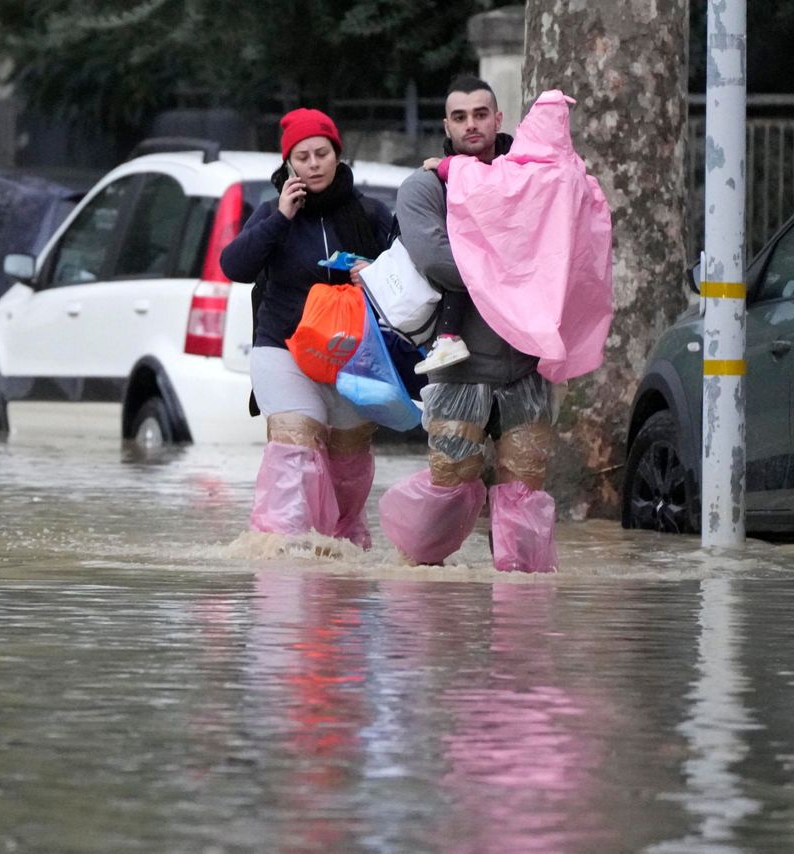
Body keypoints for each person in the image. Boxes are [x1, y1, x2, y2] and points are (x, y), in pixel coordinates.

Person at [378, 76, 560, 572]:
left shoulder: (529, 178)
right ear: (446, 125)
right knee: (451, 482)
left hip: (528, 364)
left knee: (524, 487)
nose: (471, 125)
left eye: (480, 114)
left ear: (499, 119)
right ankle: (414, 586)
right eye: (459, 117)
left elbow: (561, 243)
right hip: (457, 367)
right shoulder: (423, 186)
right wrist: (516, 270)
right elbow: (436, 259)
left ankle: (524, 612)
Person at [220, 108, 393, 549]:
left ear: (338, 155)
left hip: (353, 356)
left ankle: (341, 544)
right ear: (288, 164)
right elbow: (234, 266)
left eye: (322, 153)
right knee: (295, 444)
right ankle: (278, 546)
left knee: (348, 463)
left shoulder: (371, 214)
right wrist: (281, 217)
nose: (313, 164)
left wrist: (373, 272)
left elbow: (403, 280)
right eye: (302, 156)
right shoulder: (271, 213)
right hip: (283, 348)